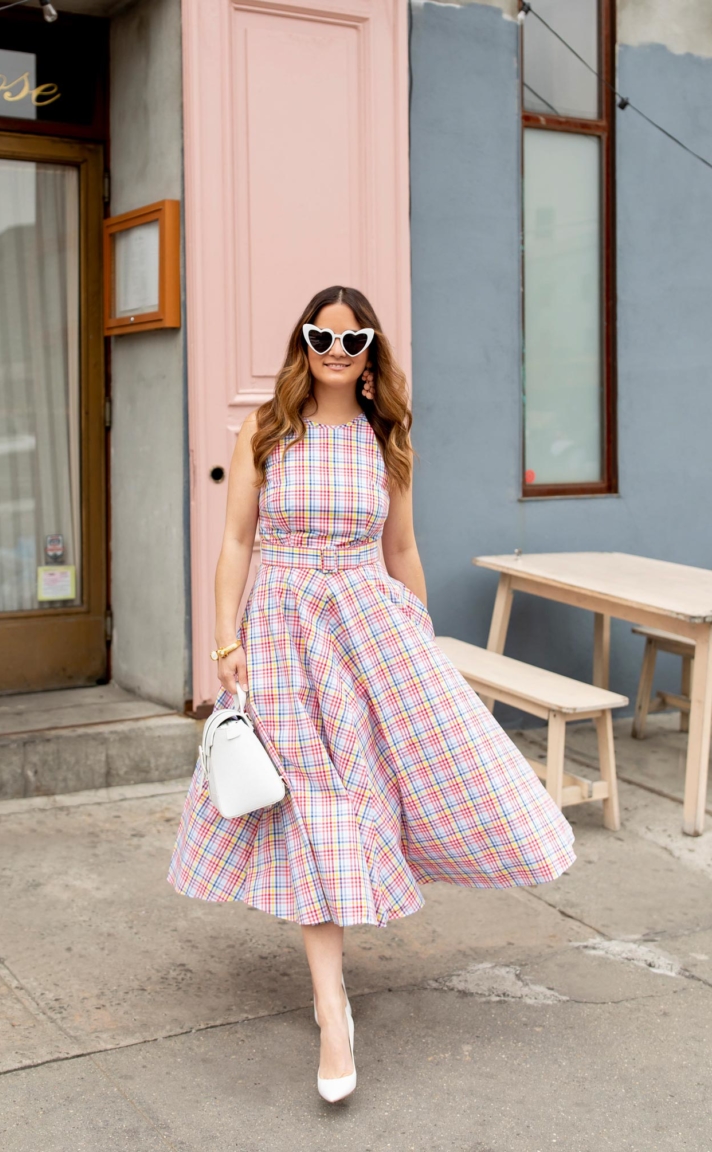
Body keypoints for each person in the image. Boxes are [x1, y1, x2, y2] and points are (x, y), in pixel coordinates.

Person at [168, 285, 576, 1103]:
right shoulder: (267, 428)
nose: (334, 350)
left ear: (370, 353)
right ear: (304, 340)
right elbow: (235, 544)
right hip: (281, 630)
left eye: (351, 341)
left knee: (370, 792)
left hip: (367, 626)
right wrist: (224, 641)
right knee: (310, 802)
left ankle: (335, 989)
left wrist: (418, 640)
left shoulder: (386, 439)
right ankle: (331, 1006)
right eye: (321, 335)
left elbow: (404, 549)